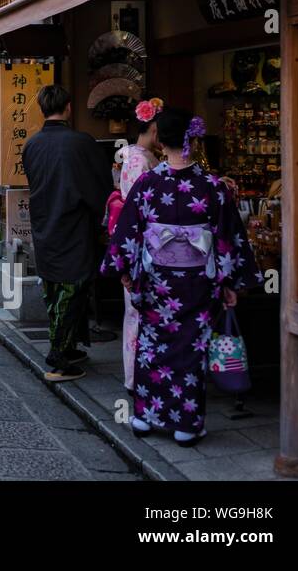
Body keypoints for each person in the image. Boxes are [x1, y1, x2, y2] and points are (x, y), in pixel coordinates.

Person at [101, 107, 262, 446]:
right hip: (196, 283)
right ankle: (185, 423)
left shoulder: (148, 184)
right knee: (191, 347)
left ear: (159, 137)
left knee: (152, 343)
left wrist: (125, 271)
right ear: (194, 138)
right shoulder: (212, 187)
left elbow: (128, 232)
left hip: (157, 280)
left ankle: (145, 414)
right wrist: (230, 281)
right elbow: (227, 239)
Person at [21, 84, 114, 383]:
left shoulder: (32, 145)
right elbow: (99, 186)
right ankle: (58, 357)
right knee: (73, 290)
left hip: (45, 223)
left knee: (53, 290)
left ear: (42, 109)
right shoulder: (81, 143)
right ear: (69, 107)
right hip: (74, 225)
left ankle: (68, 347)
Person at [113, 98, 164, 391]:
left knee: (136, 311)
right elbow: (139, 207)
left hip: (137, 239)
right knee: (137, 311)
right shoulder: (140, 159)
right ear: (153, 128)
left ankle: (139, 375)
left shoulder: (135, 155)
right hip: (140, 242)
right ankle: (136, 377)